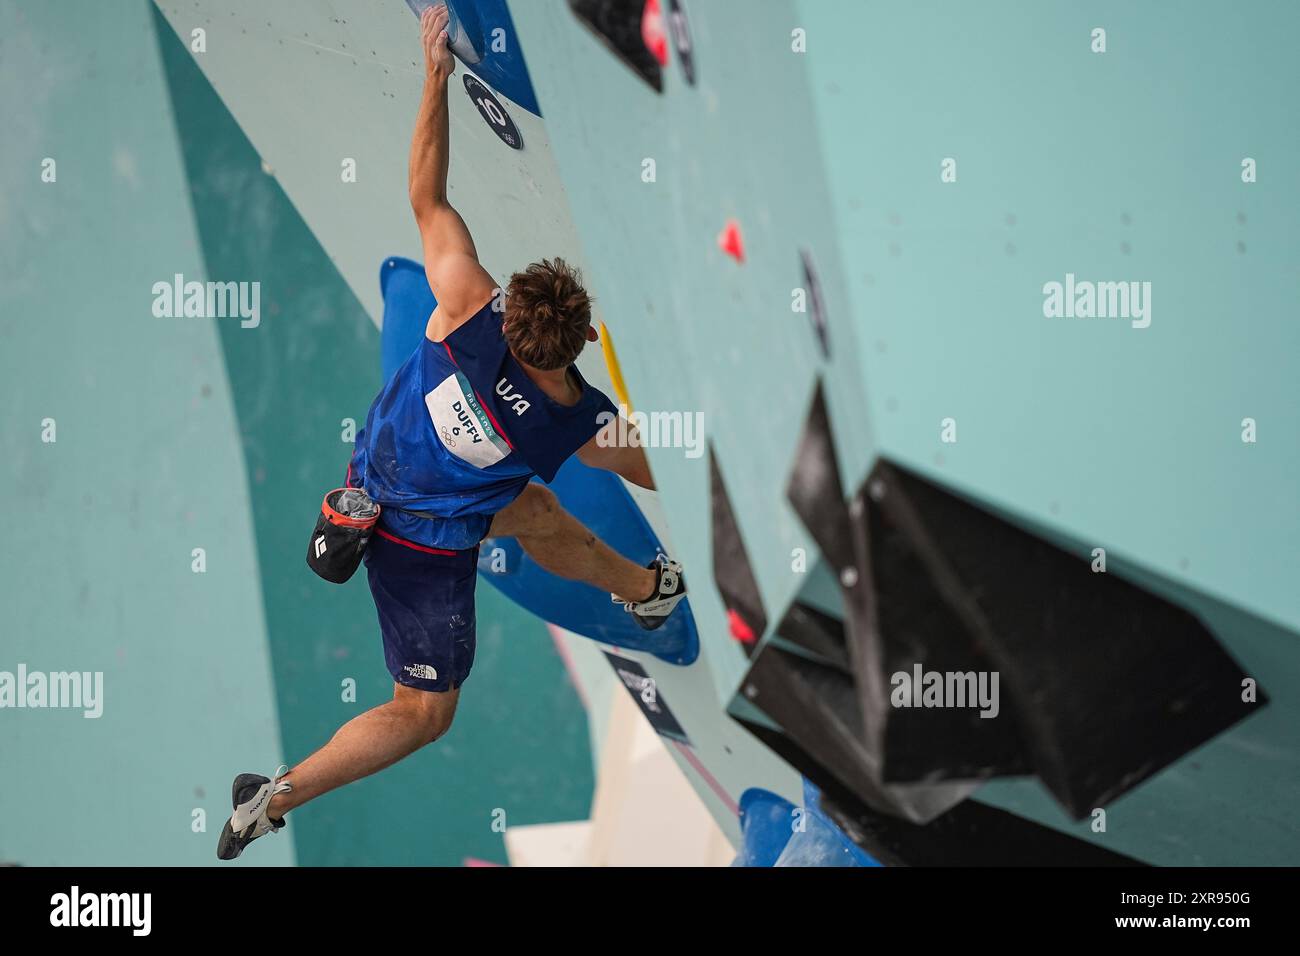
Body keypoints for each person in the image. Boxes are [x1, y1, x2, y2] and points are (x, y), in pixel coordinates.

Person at [217, 4, 685, 860]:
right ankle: (273, 794)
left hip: (380, 470)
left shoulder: (466, 306)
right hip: (423, 544)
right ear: (580, 340)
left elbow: (426, 193)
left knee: (539, 514)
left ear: (513, 306)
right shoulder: (576, 421)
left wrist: (434, 75)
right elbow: (678, 468)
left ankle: (645, 591)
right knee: (425, 713)